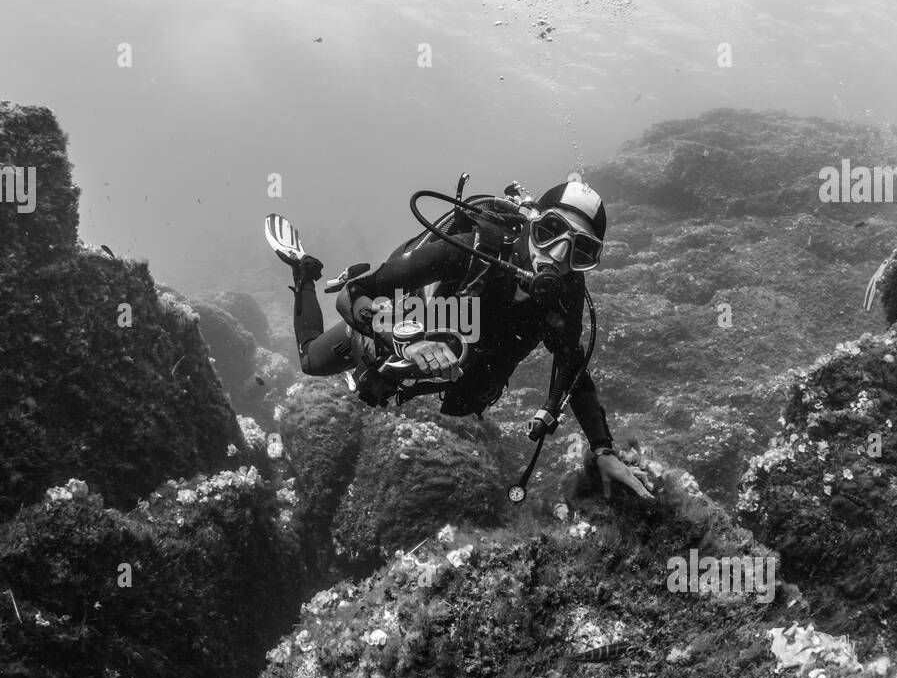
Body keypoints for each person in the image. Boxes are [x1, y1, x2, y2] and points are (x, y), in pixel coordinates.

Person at [266, 178, 654, 500]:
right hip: (398, 326)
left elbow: (574, 370)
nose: (556, 255)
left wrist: (603, 449)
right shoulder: (473, 250)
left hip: (450, 368)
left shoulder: (565, 300)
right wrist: (395, 336)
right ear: (532, 222)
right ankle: (304, 273)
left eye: (580, 251)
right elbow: (355, 293)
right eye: (549, 232)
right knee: (312, 363)